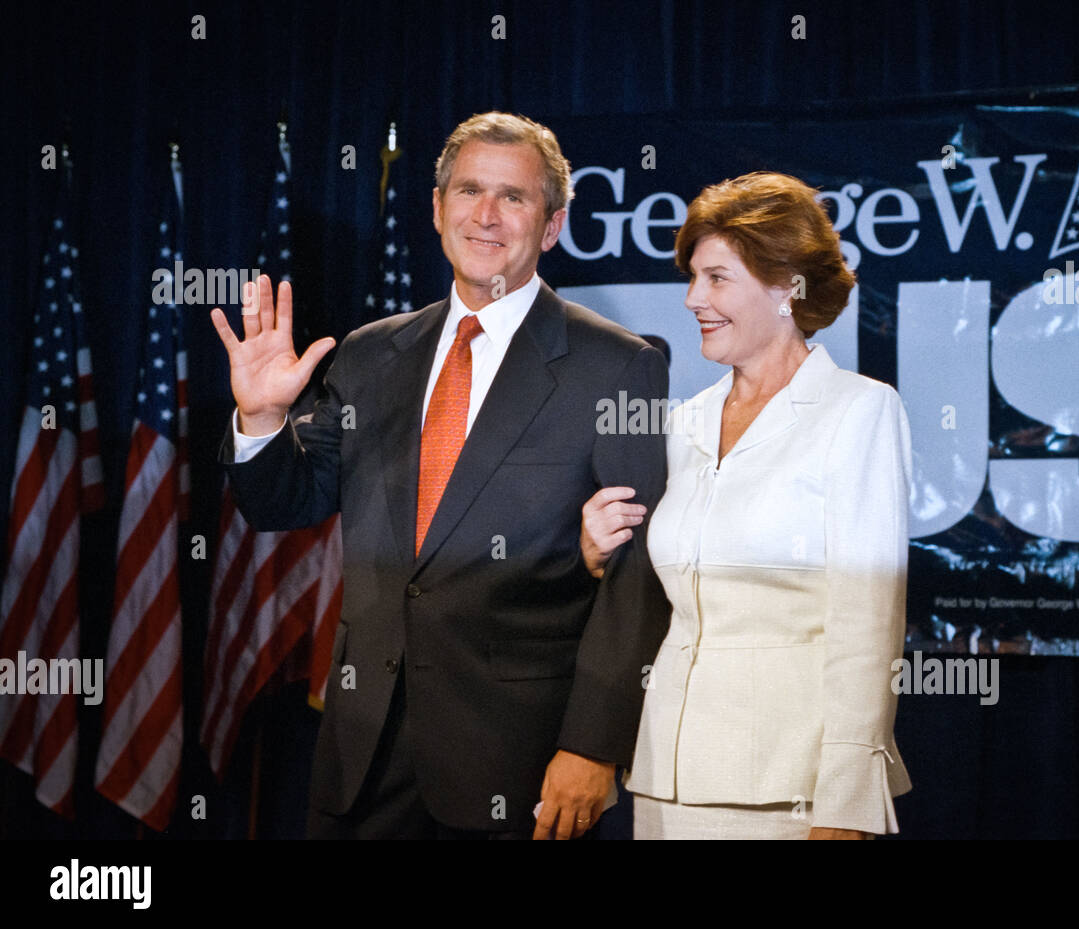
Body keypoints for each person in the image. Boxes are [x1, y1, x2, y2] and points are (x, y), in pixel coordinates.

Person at [210, 112, 671, 839]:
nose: (486, 216)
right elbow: (282, 502)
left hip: (517, 765)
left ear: (551, 226)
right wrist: (263, 420)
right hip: (360, 758)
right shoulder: (370, 353)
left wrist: (593, 743)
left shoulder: (617, 365)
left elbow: (639, 570)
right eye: (468, 191)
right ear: (436, 208)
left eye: (513, 198)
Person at [581, 172, 913, 839]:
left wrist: (845, 805)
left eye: (716, 277)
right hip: (666, 777)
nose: (692, 298)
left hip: (788, 787)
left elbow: (868, 624)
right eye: (693, 277)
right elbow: (664, 591)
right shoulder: (684, 421)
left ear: (786, 286)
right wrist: (596, 555)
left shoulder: (859, 411)